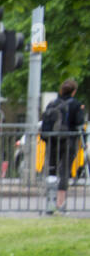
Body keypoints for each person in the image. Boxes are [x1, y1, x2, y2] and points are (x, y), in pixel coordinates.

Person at [42, 79, 84, 215]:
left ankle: (50, 205)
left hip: (52, 141)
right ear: (74, 91)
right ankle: (61, 205)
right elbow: (79, 123)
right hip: (68, 142)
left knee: (52, 171)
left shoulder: (52, 103)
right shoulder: (76, 104)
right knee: (65, 172)